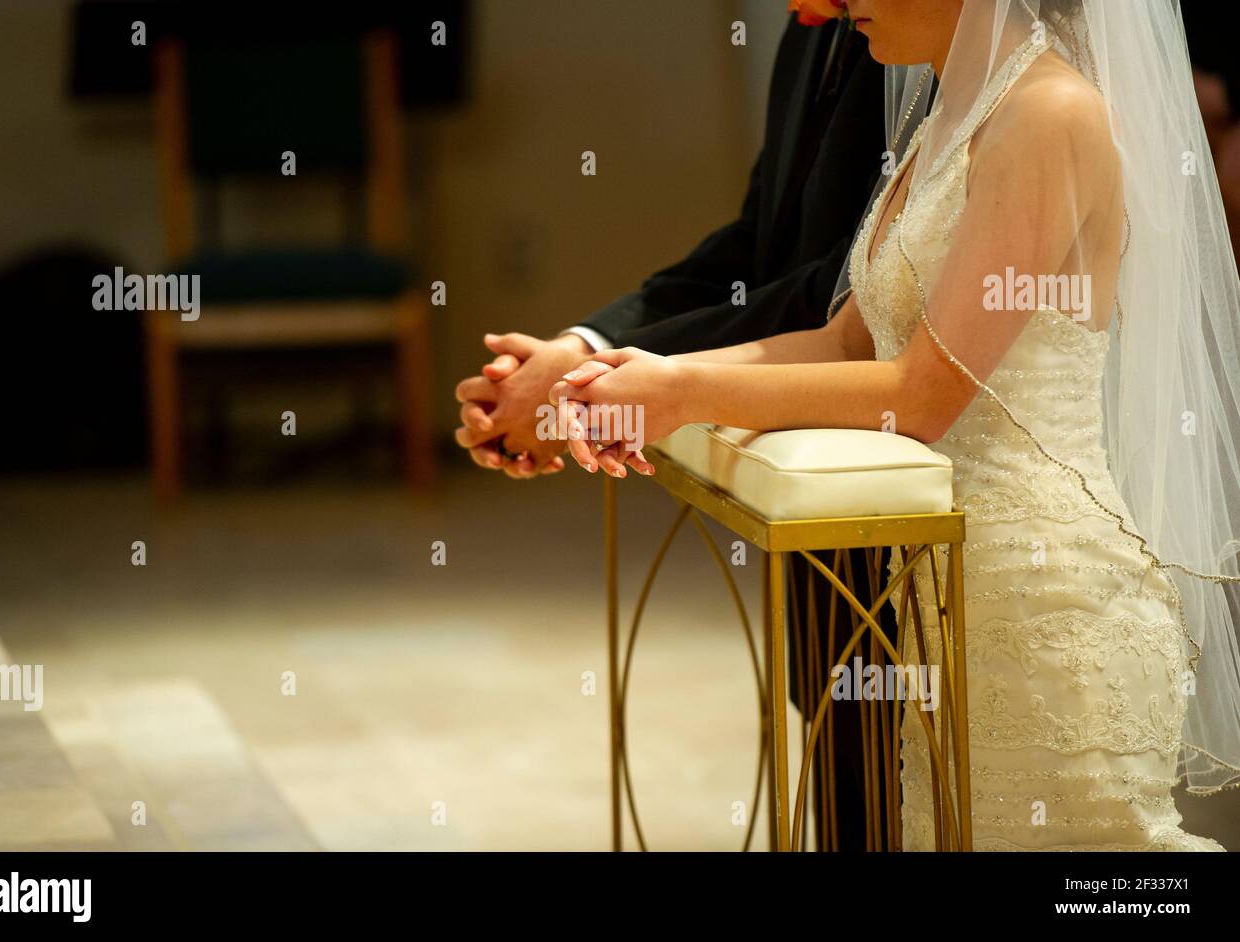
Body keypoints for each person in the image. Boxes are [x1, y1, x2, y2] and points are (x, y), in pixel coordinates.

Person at [555, 0, 1240, 850]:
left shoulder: (1048, 114)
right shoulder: (956, 113)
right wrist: (642, 379)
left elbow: (920, 396)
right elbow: (844, 337)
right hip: (933, 587)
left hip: (1038, 605)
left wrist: (685, 394)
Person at [454, 9, 895, 849]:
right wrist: (581, 351)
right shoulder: (814, 32)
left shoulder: (934, 40)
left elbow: (849, 290)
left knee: (911, 747)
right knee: (844, 737)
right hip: (822, 454)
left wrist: (598, 382)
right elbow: (752, 249)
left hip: (909, 444)